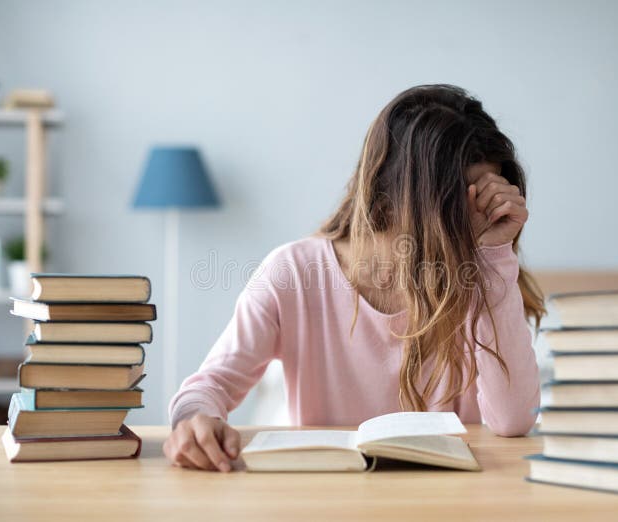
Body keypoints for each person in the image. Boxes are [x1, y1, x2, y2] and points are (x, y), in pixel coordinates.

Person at [164, 84, 545, 471]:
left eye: (488, 200)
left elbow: (513, 420)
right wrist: (196, 422)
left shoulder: (482, 280)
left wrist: (495, 256)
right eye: (460, 200)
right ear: (392, 191)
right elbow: (208, 387)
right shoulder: (293, 273)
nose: (474, 219)